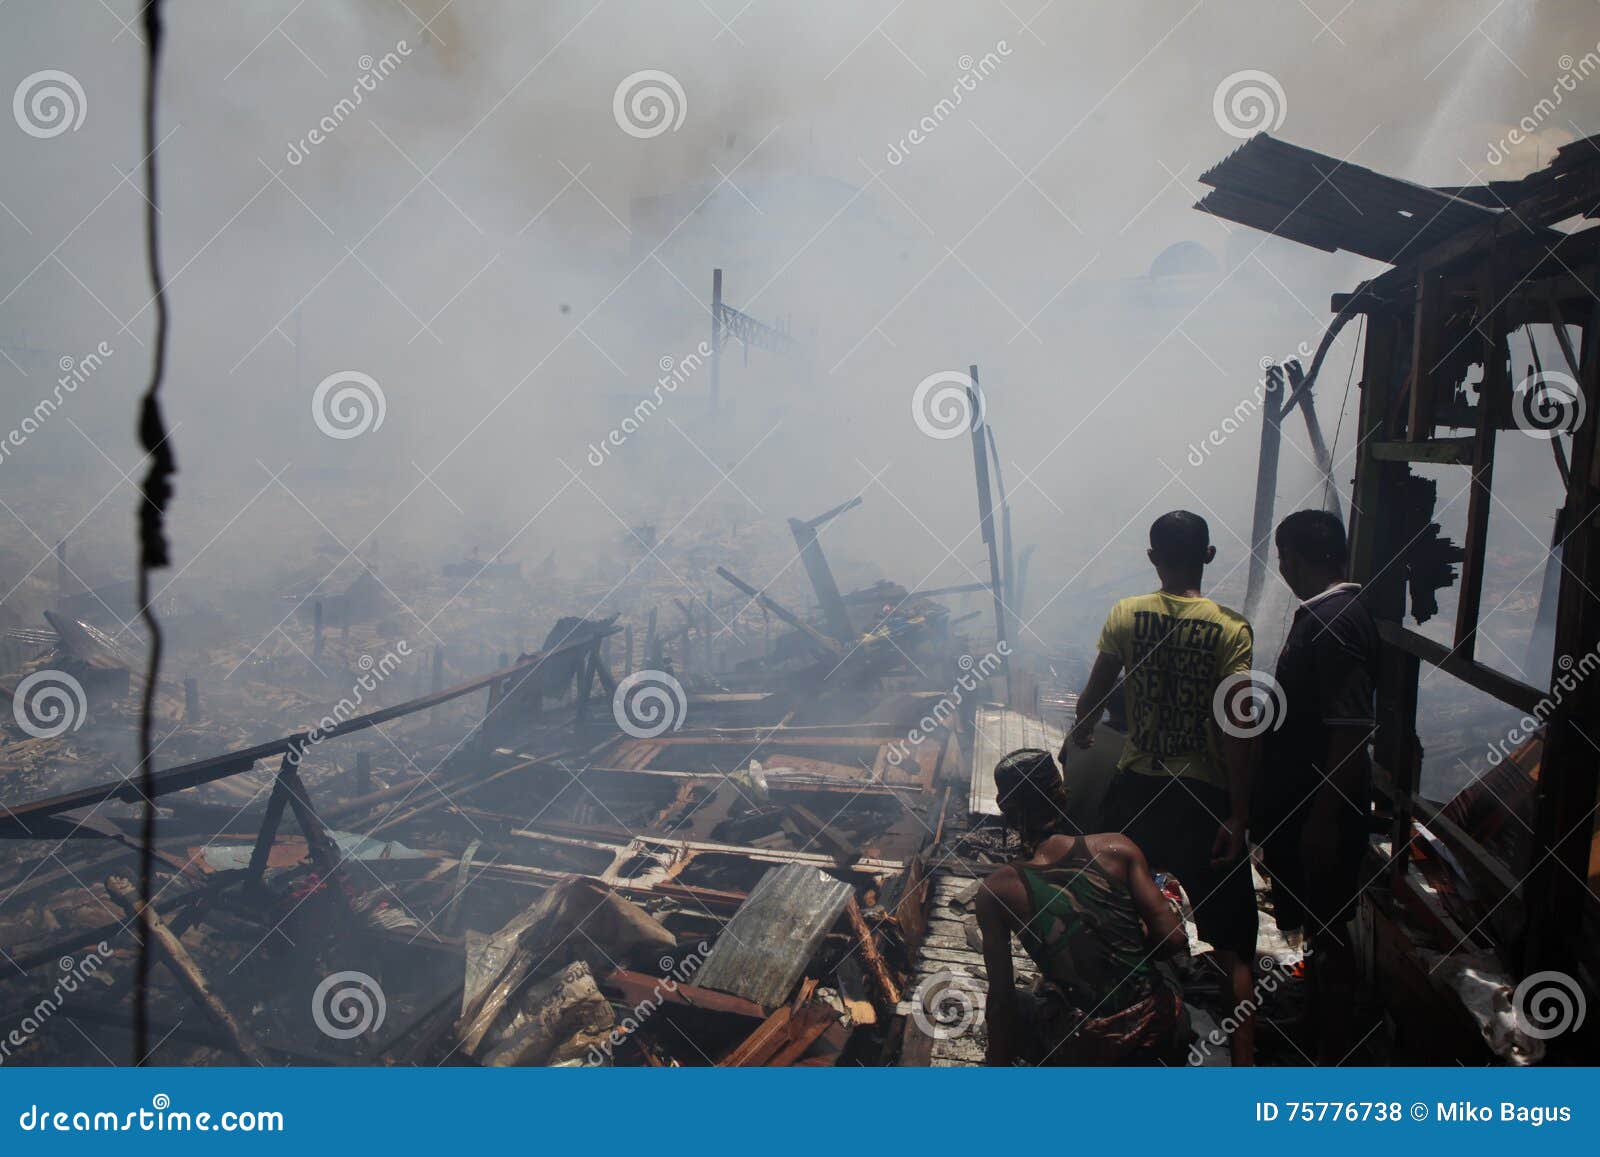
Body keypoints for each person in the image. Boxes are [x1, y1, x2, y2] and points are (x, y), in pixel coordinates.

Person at [1060, 510, 1259, 1065]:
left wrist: (1079, 735)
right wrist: (1239, 815)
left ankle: (1122, 1038)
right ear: (1209, 555)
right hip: (1201, 794)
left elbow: (1093, 699)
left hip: (1137, 788)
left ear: (1152, 557)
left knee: (1112, 913)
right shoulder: (1230, 628)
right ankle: (1244, 1064)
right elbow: (1237, 726)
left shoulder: (1127, 614)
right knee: (1235, 943)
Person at [975, 749, 1187, 1065]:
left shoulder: (996, 892)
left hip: (1091, 1048)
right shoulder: (1118, 847)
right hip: (1159, 1033)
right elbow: (1174, 939)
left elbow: (1001, 1002)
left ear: (1006, 811)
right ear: (1061, 797)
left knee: (1018, 1004)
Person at [1256, 508, 1377, 1064]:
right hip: (1308, 805)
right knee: (1320, 923)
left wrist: (1323, 820)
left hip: (1319, 808)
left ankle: (1330, 1047)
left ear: (1294, 558)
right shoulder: (1332, 615)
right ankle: (1316, 1024)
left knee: (1328, 927)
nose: (1282, 568)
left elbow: (1350, 731)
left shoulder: (1333, 621)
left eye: (1283, 558)